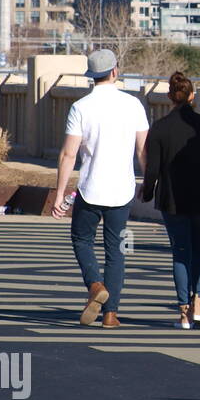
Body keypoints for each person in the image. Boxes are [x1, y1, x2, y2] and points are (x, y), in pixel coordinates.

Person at [52, 49, 150, 328]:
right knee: (116, 251)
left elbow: (68, 155)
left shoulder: (81, 107)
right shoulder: (133, 105)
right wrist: (148, 182)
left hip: (90, 188)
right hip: (122, 189)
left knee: (82, 240)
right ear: (115, 72)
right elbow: (143, 150)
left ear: (91, 76)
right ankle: (111, 314)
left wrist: (60, 194)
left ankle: (94, 285)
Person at [141, 72, 200, 329]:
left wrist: (148, 191)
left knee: (181, 252)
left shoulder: (160, 128)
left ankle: (184, 312)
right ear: (193, 97)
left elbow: (152, 168)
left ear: (169, 97)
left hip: (173, 198)